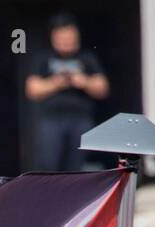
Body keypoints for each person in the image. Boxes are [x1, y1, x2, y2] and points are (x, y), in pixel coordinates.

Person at [25, 11, 109, 172]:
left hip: (81, 120)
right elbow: (32, 89)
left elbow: (103, 87)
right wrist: (56, 83)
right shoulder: (44, 59)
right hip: (51, 121)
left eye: (70, 36)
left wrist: (83, 81)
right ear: (54, 37)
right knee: (48, 166)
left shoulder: (87, 58)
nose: (67, 41)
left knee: (77, 168)